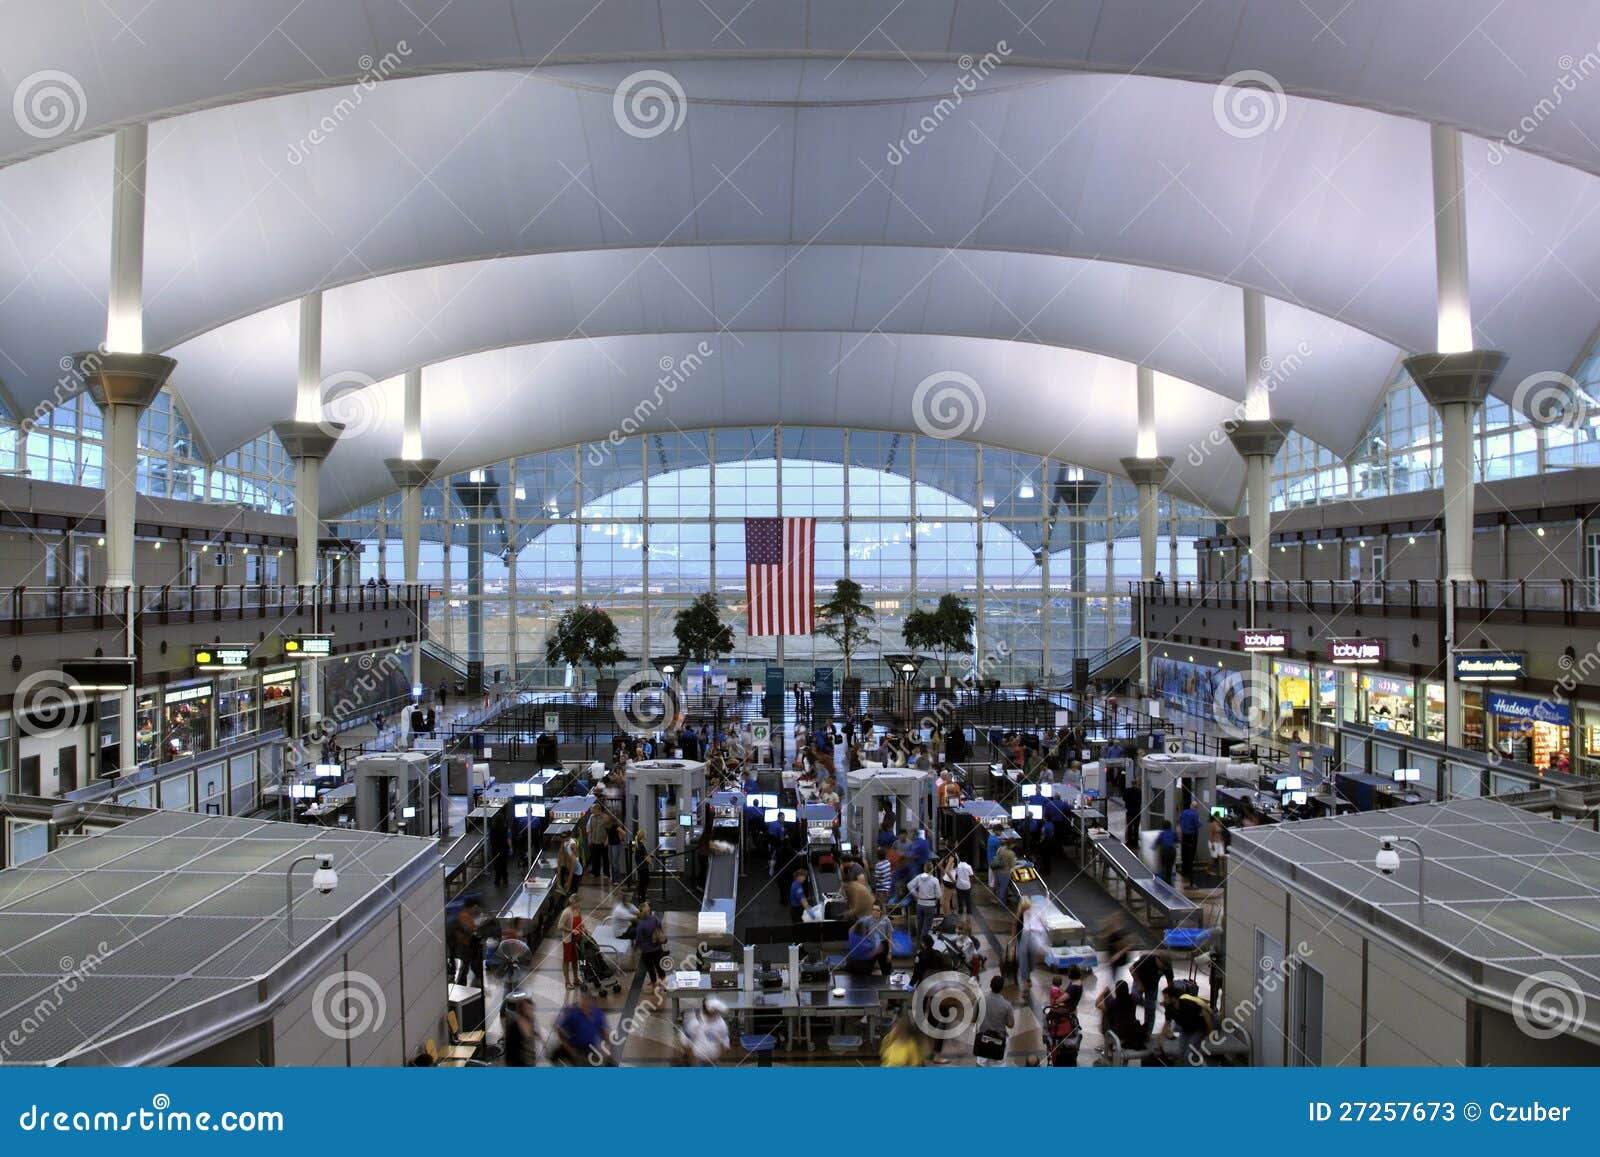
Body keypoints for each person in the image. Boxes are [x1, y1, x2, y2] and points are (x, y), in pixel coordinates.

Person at [552, 992, 609, 1066]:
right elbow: (559, 1030)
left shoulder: (597, 1013)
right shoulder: (573, 1015)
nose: (585, 1003)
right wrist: (570, 1050)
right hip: (576, 1051)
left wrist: (607, 1045)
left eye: (588, 1001)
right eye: (583, 1001)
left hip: (591, 1049)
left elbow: (602, 1030)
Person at [1165, 982, 1214, 1066]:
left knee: (1188, 1056)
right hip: (1188, 1026)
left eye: (1166, 998)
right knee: (1181, 1054)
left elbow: (1207, 1015)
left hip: (1202, 1024)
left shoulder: (1188, 1004)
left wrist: (1210, 1032)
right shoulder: (1171, 1006)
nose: (1164, 1000)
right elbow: (1166, 1024)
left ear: (1173, 998)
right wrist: (1160, 1039)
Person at [1095, 979, 1146, 1052]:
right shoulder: (1133, 998)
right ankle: (1109, 1046)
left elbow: (1097, 1004)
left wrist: (1103, 992)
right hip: (1132, 1029)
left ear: (1116, 991)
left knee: (1105, 1013)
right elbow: (1139, 996)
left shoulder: (1114, 1003)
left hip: (1119, 1031)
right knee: (1109, 1010)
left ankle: (1109, 1048)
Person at [975, 975, 1014, 1067]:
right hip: (999, 1040)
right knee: (999, 1065)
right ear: (1002, 987)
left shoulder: (980, 1000)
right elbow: (1011, 1024)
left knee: (981, 1064)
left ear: (990, 985)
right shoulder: (1007, 1005)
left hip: (983, 1038)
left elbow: (973, 1019)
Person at [1131, 950, 1174, 1031]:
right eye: (1163, 966)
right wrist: (1140, 984)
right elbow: (1132, 969)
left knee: (1151, 1009)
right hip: (1139, 981)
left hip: (1152, 986)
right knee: (1134, 1000)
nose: (1164, 968)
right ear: (1157, 959)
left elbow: (1170, 982)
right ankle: (1131, 1027)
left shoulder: (1167, 966)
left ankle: (1148, 1032)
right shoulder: (1147, 959)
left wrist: (1169, 996)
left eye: (1166, 967)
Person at [683, 998, 730, 1066]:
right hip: (699, 1056)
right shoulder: (695, 1022)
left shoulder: (720, 1022)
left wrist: (726, 1045)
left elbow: (724, 1035)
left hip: (714, 1056)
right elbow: (688, 1038)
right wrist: (687, 1052)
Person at [907, 862, 942, 946]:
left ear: (924, 868)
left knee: (920, 926)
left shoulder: (918, 877)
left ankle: (918, 945)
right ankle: (923, 946)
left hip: (920, 904)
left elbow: (909, 885)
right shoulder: (935, 880)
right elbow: (939, 895)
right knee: (926, 927)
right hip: (930, 905)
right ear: (932, 869)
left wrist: (916, 894)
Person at [635, 901, 667, 991]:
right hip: (658, 948)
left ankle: (654, 984)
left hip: (647, 951)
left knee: (650, 968)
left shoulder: (641, 924)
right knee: (659, 966)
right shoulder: (654, 918)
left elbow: (639, 939)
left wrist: (638, 947)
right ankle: (664, 982)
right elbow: (660, 928)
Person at [502, 994, 539, 1067]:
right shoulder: (514, 1027)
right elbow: (510, 1049)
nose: (532, 1012)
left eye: (532, 1009)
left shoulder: (531, 1022)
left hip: (530, 1062)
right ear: (523, 1010)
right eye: (529, 1009)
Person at [558, 894, 584, 989]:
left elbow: (580, 922)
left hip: (577, 939)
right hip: (568, 940)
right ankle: (567, 982)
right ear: (573, 902)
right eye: (579, 902)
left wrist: (584, 928)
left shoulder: (578, 909)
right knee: (566, 960)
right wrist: (571, 930)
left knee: (575, 960)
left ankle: (576, 978)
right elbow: (560, 926)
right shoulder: (566, 912)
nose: (580, 904)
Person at [1177, 798, 1202, 880]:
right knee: (1191, 854)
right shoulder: (1195, 815)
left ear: (1191, 806)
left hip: (1184, 836)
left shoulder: (1184, 812)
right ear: (1196, 807)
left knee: (1184, 853)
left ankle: (1184, 870)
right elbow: (1198, 825)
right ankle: (1189, 871)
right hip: (1192, 836)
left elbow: (1179, 820)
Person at [1154, 819, 1178, 884]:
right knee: (1170, 866)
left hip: (1165, 851)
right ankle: (1169, 880)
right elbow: (1176, 840)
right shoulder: (1174, 832)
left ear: (1163, 827)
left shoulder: (1162, 833)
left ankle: (1165, 881)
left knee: (1164, 865)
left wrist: (1153, 847)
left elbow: (1157, 842)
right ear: (1170, 826)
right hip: (1172, 851)